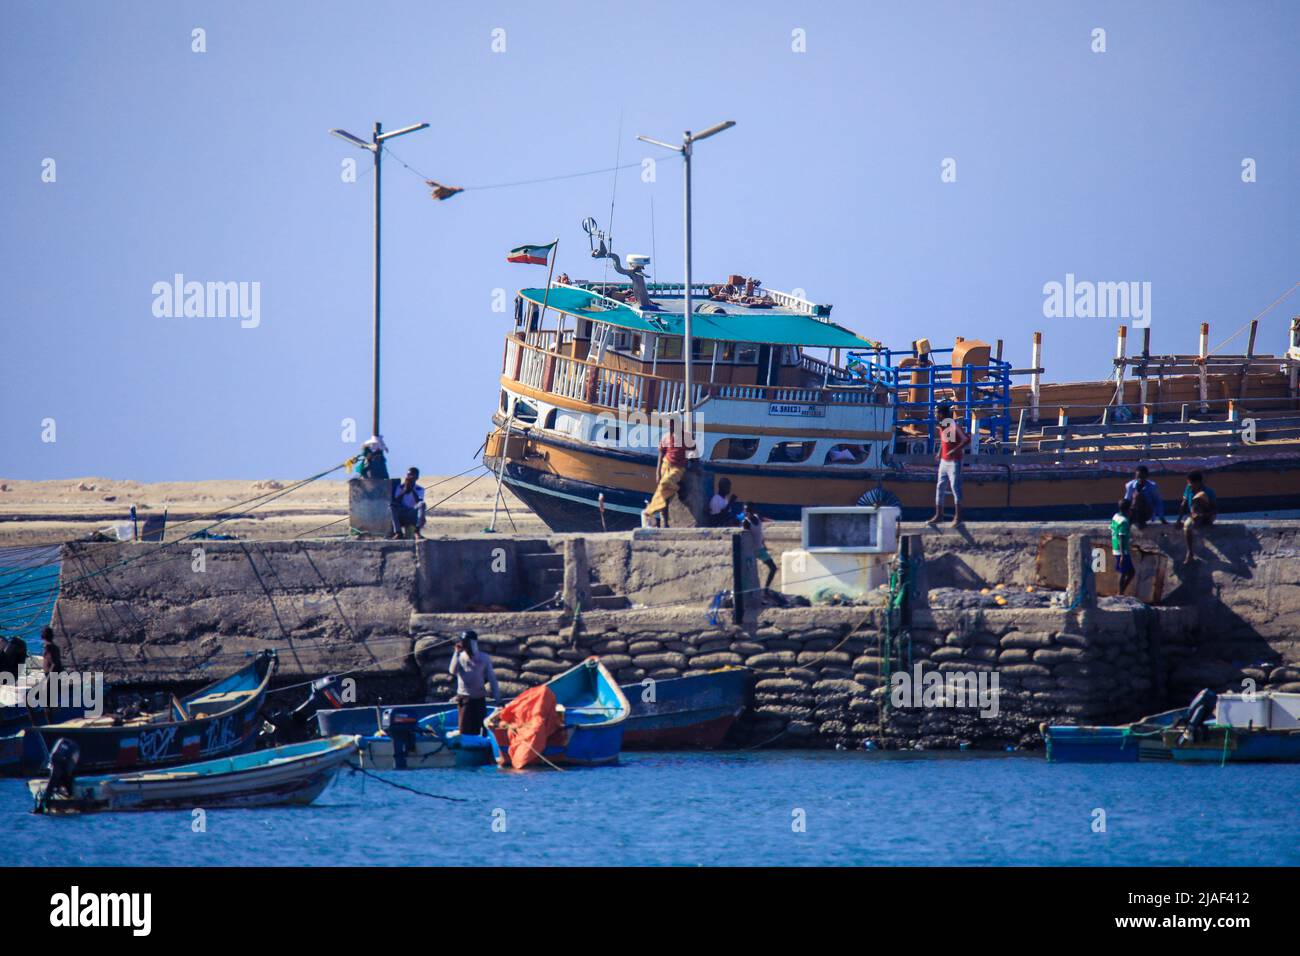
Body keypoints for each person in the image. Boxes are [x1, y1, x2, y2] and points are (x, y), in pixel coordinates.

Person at [448, 630, 499, 736]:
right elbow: (452, 671)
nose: (465, 645)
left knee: (482, 729)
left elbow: (492, 679)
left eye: (467, 642)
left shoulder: (483, 658)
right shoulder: (460, 657)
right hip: (465, 699)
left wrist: (498, 699)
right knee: (465, 731)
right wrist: (456, 653)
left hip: (479, 699)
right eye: (463, 642)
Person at [927, 402, 969, 528]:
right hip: (944, 461)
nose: (935, 414)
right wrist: (939, 453)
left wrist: (955, 450)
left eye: (936, 412)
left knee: (956, 488)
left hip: (954, 461)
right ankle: (939, 515)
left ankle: (958, 517)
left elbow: (966, 439)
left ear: (942, 413)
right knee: (940, 487)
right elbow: (944, 441)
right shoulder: (942, 426)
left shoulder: (952, 425)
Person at [645, 417, 688, 528]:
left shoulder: (685, 437)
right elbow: (660, 455)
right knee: (663, 496)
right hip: (666, 465)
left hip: (678, 468)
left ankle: (650, 510)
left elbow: (694, 450)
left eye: (672, 425)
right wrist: (657, 472)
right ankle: (665, 523)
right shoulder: (666, 437)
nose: (670, 428)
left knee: (665, 483)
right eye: (668, 426)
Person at [1178, 471, 1217, 565]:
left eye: (1191, 483)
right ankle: (1190, 553)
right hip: (1194, 515)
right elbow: (1183, 505)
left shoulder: (1209, 492)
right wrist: (1178, 520)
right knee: (1187, 526)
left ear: (1198, 482)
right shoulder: (1188, 489)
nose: (1189, 485)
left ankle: (1205, 522)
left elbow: (1214, 509)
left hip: (1207, 515)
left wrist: (1204, 516)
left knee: (1200, 497)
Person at [742, 502, 778, 590]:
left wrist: (763, 544)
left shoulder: (757, 518)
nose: (747, 512)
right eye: (745, 510)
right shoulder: (746, 522)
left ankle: (766, 588)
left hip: (760, 549)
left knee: (773, 568)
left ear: (753, 510)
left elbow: (759, 533)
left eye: (749, 510)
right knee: (749, 573)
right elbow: (747, 538)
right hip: (752, 551)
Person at [390, 467, 426, 539]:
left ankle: (417, 531)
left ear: (417, 477)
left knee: (422, 504)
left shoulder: (419, 489)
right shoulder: (400, 487)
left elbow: (418, 501)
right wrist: (404, 491)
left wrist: (412, 489)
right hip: (402, 513)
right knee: (391, 506)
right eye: (408, 475)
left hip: (413, 514)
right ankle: (398, 532)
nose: (409, 477)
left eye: (412, 475)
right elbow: (397, 501)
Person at [1110, 498, 1135, 595]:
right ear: (1128, 509)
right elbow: (1121, 538)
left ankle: (1121, 592)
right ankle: (1120, 593)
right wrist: (1122, 556)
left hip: (1116, 547)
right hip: (1122, 550)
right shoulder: (1124, 521)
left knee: (1128, 572)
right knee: (1125, 572)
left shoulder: (1116, 516)